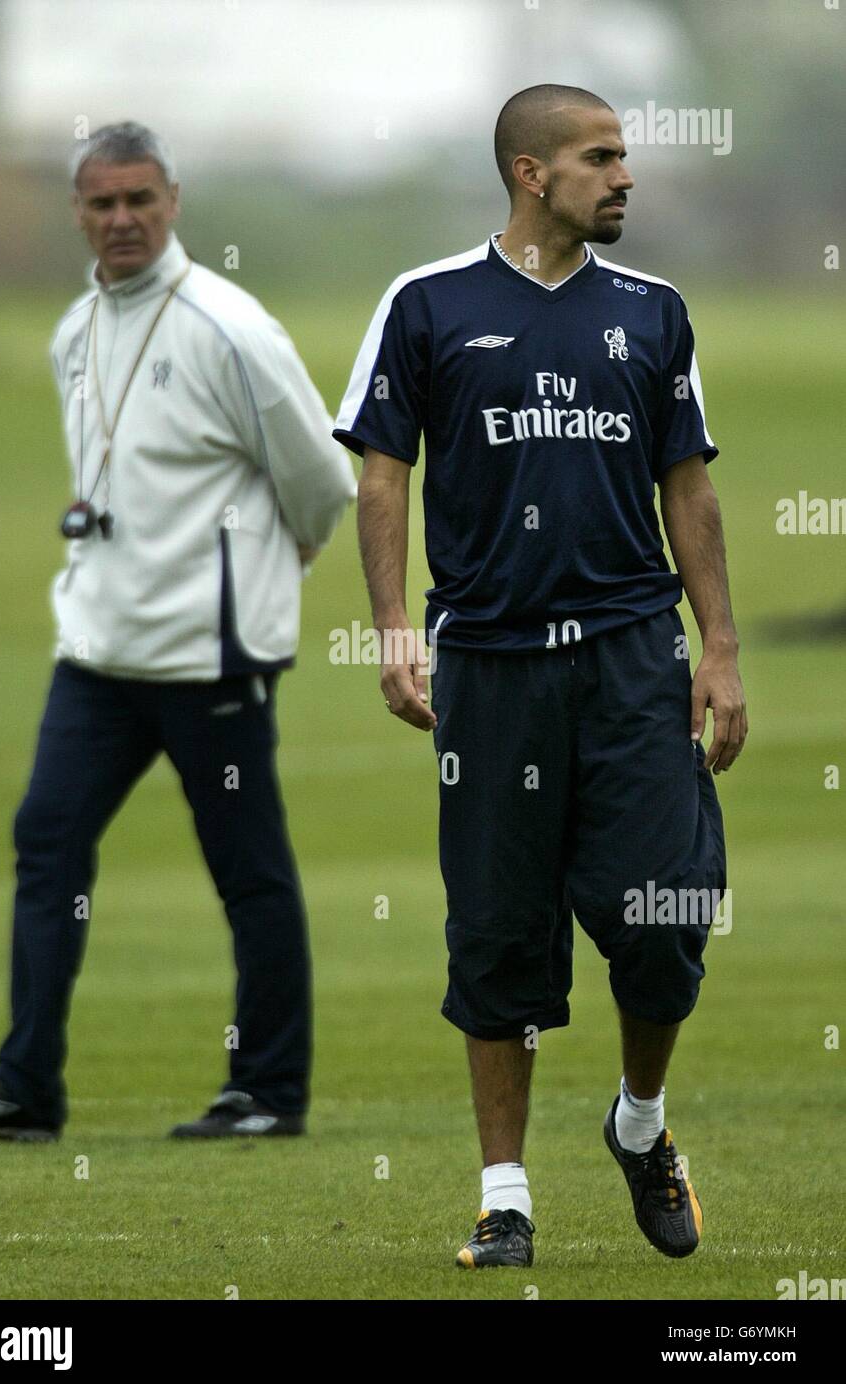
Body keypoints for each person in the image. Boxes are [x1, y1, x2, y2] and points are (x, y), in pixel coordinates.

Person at [333, 85, 746, 1267]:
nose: (624, 176)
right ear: (530, 172)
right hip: (492, 666)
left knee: (667, 918)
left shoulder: (653, 313)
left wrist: (716, 649)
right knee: (500, 937)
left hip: (631, 662)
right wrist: (389, 628)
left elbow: (689, 485)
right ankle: (503, 1199)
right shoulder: (426, 306)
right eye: (600, 157)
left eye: (625, 156)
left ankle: (639, 1123)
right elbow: (380, 474)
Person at [0, 121, 356, 1144]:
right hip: (99, 650)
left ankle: (267, 1092)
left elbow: (322, 481)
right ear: (77, 209)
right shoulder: (76, 327)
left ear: (173, 201)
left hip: (210, 653)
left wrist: (269, 566)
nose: (121, 219)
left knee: (247, 869)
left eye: (139, 200)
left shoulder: (231, 328)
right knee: (45, 840)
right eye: (101, 202)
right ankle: (25, 1086)